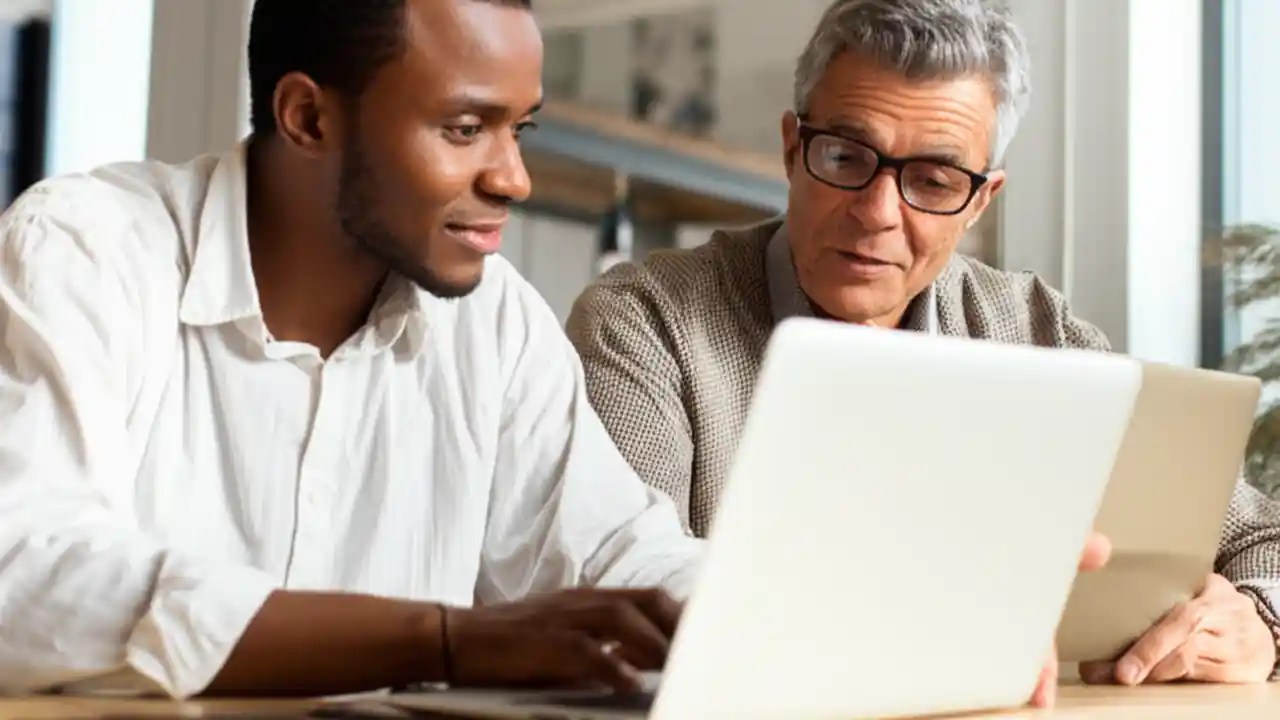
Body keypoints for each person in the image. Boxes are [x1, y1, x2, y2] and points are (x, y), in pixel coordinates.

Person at [0, 0, 702, 699]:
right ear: (308, 118)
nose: (513, 179)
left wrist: (742, 616)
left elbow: (623, 555)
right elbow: (24, 576)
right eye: (465, 130)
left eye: (518, 130)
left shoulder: (498, 322)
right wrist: (443, 641)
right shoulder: (85, 252)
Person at [567, 0, 1280, 687]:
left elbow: (1261, 537)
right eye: (845, 158)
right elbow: (627, 596)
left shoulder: (1037, 333)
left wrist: (1259, 619)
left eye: (934, 181)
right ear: (792, 149)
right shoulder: (646, 324)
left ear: (980, 202)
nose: (877, 213)